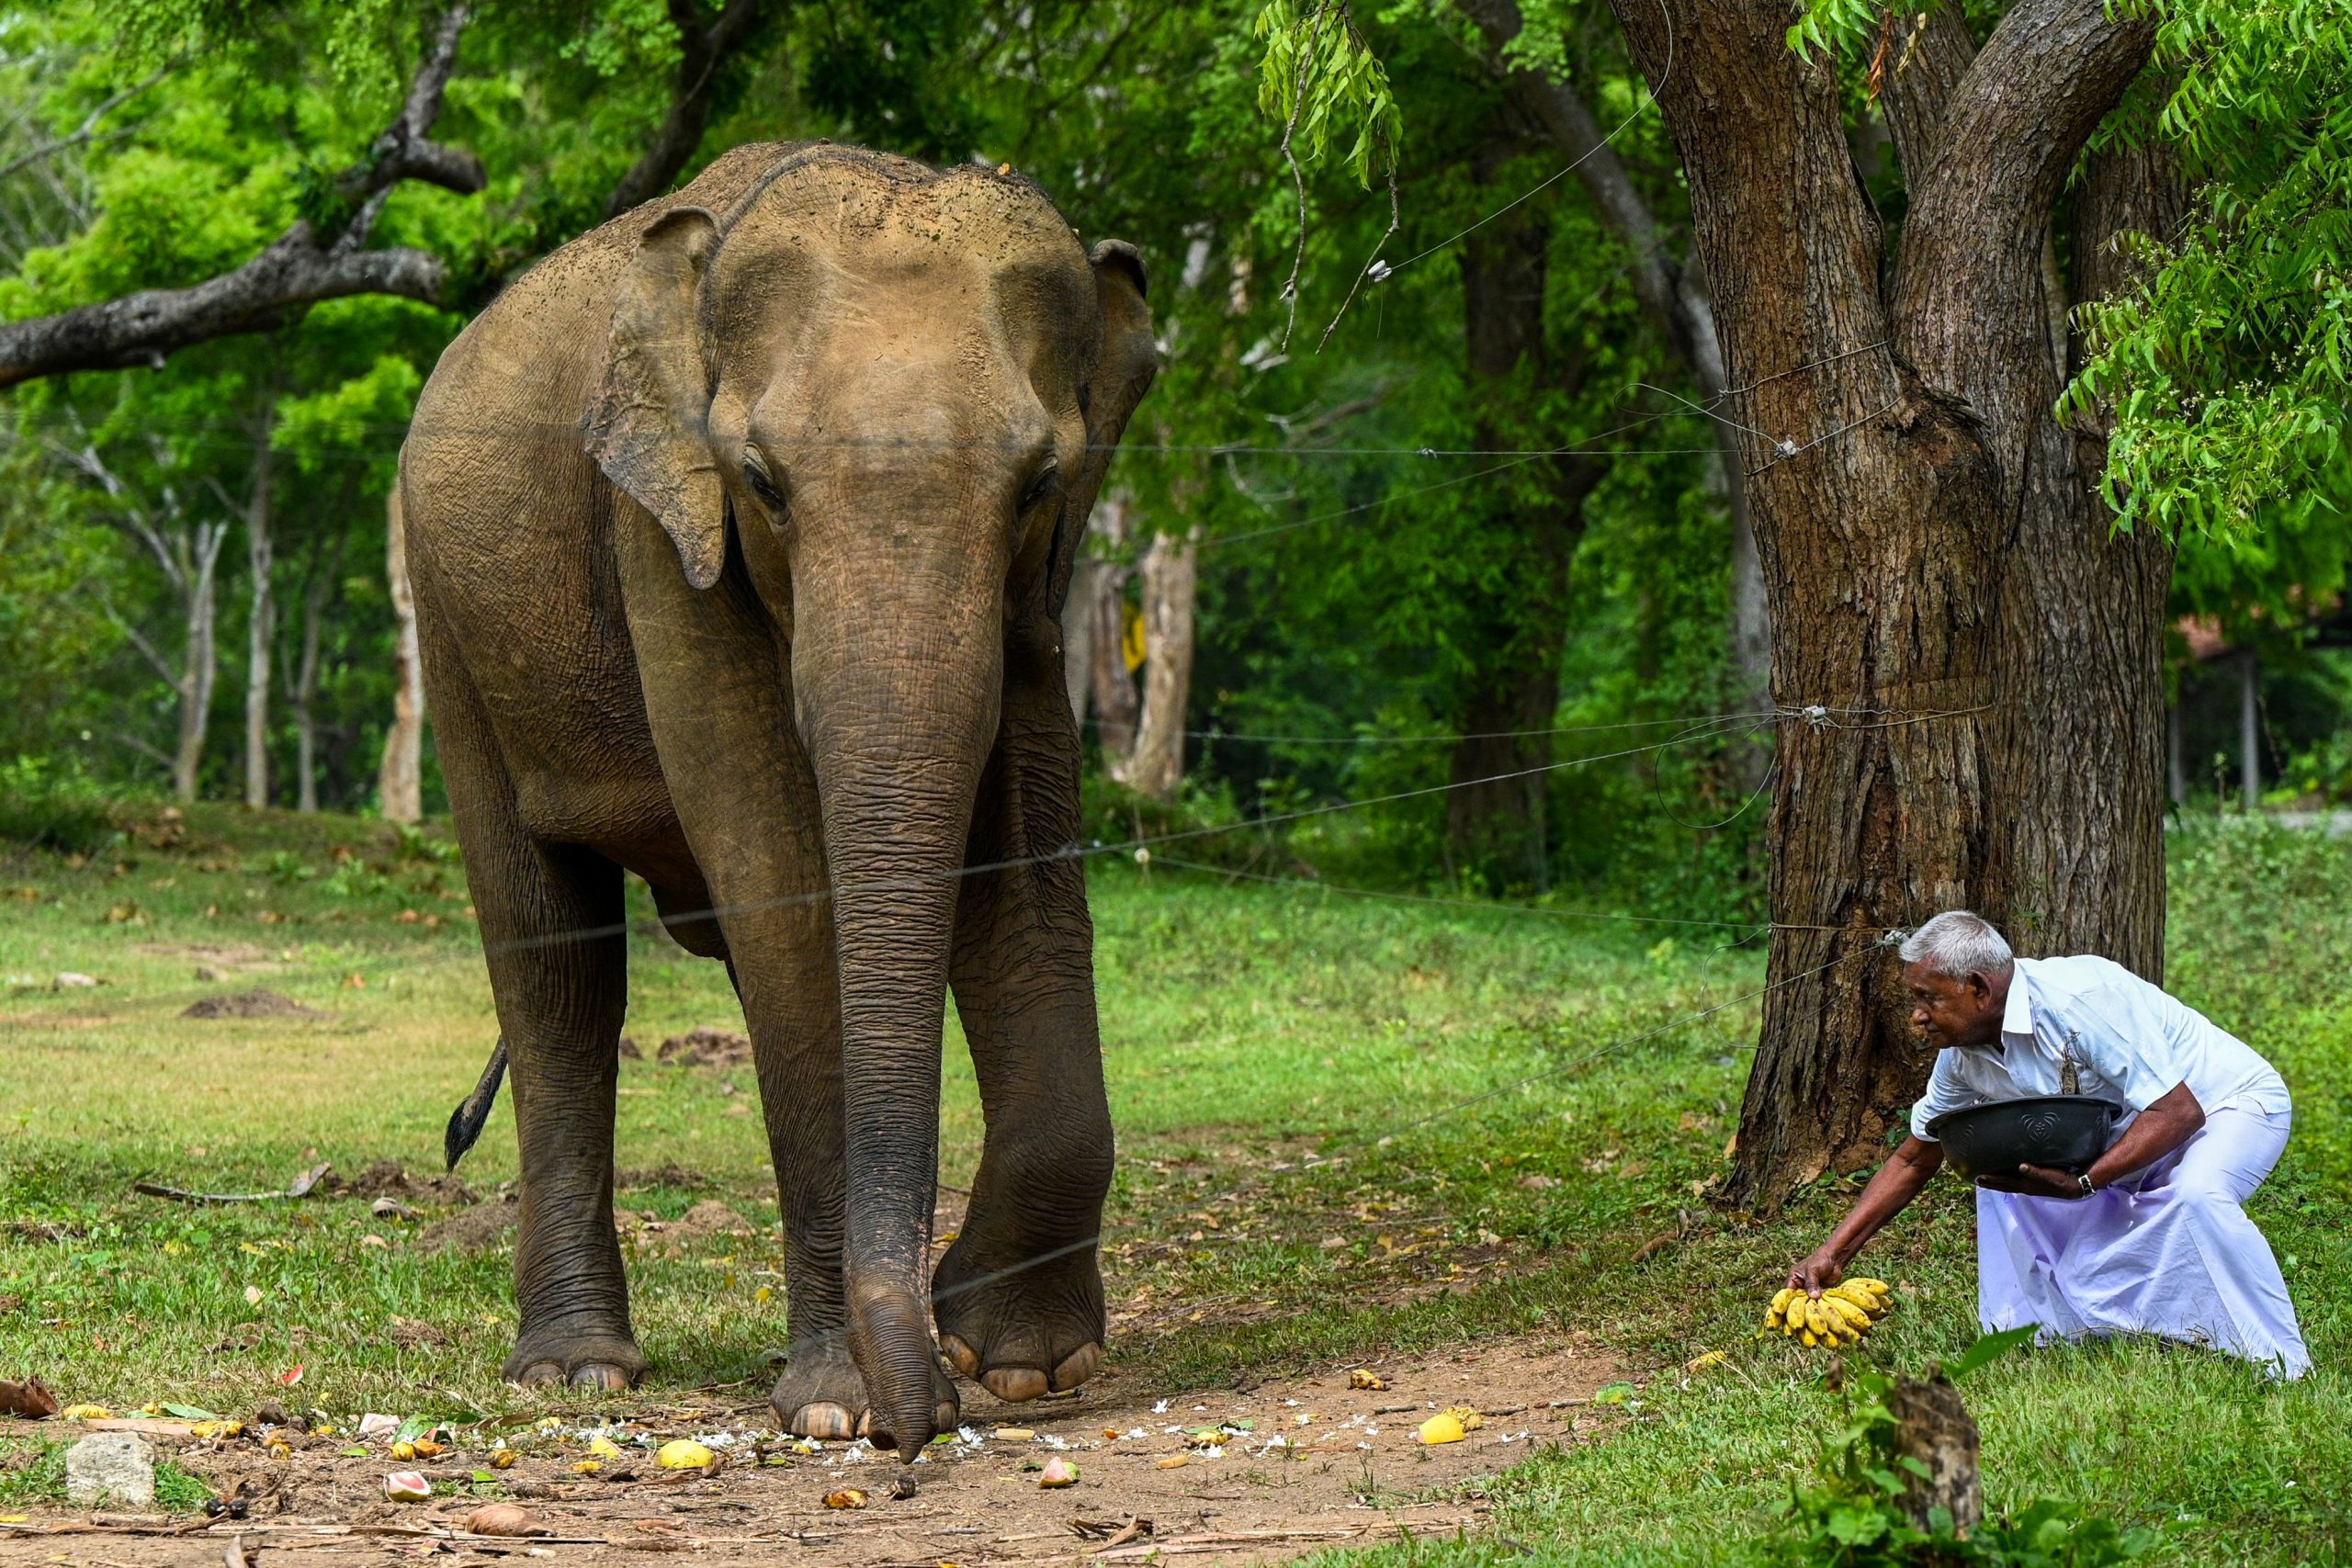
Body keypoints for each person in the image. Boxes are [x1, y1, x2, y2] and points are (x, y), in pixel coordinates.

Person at [1787, 910, 2309, 1378]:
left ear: (1980, 989)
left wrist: (2086, 1182)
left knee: (2196, 1196)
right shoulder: (1962, 1055)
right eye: (1914, 1000)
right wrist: (1835, 1252)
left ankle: (2277, 1360)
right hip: (2132, 1126)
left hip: (2227, 1106)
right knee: (2001, 1178)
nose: (1916, 1016)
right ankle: (2058, 1335)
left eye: (1928, 999)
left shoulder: (2082, 1000)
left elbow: (2179, 1112)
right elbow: (1915, 1154)